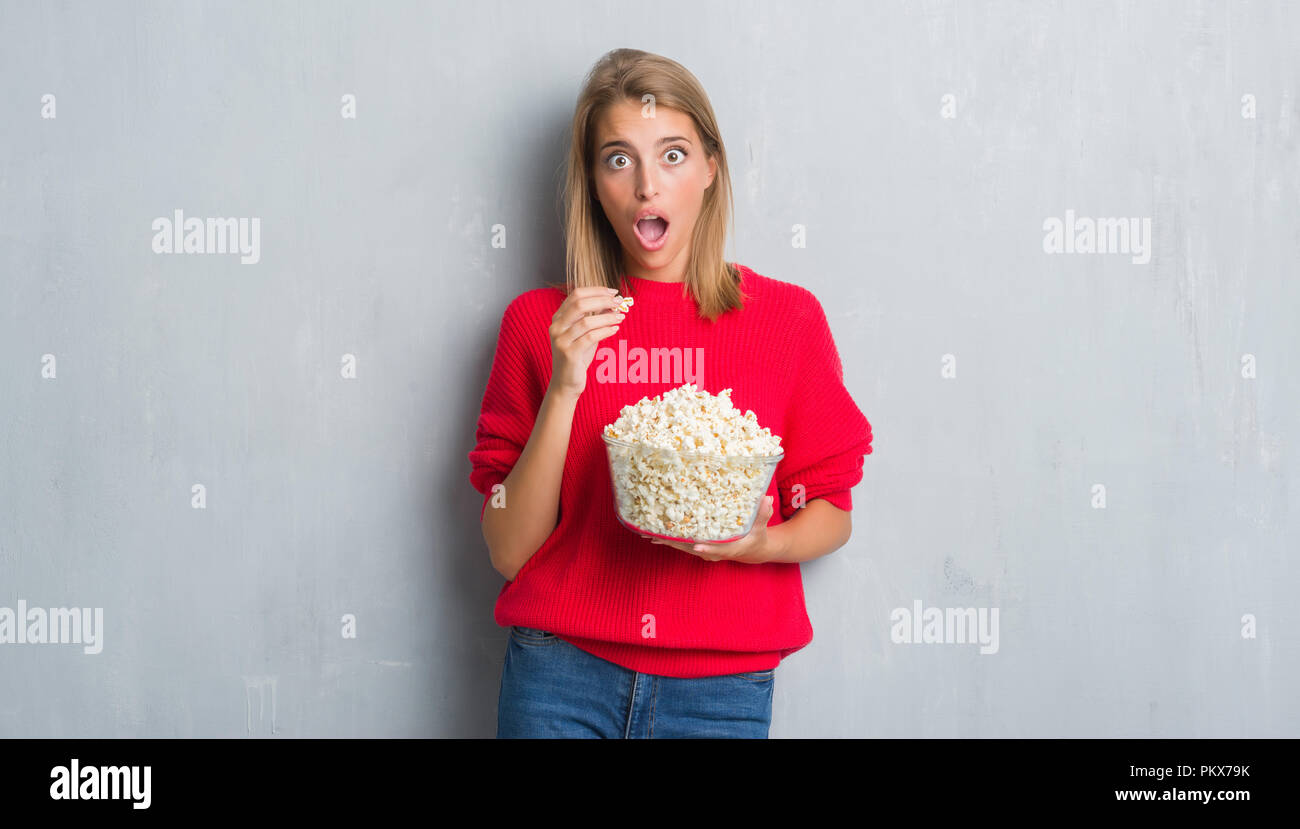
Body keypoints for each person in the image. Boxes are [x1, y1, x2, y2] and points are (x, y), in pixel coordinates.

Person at [468, 48, 873, 738]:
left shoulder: (786, 321)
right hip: (560, 674)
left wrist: (756, 544)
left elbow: (833, 514)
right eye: (619, 159)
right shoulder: (540, 324)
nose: (647, 186)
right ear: (594, 182)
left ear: (712, 169)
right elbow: (509, 551)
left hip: (720, 690)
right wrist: (568, 385)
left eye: (674, 155)